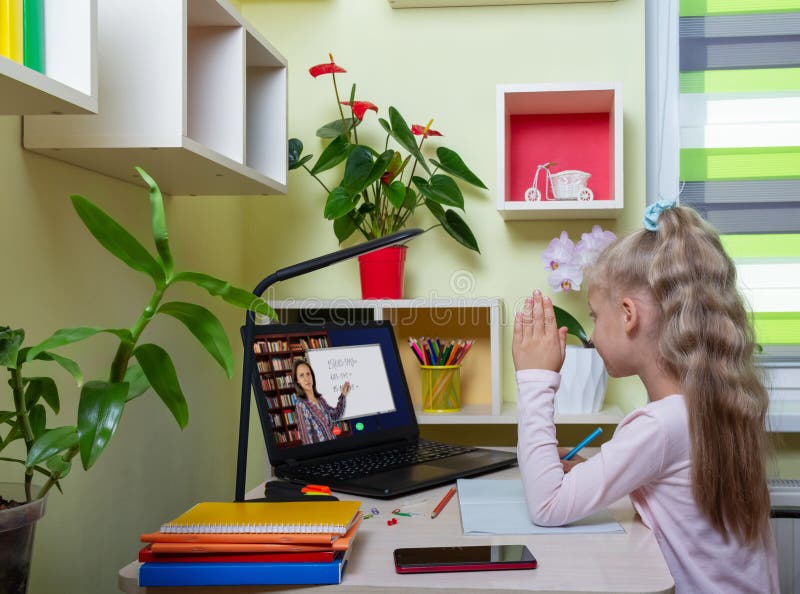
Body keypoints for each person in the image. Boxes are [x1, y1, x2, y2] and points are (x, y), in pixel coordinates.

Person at [512, 202, 778, 593]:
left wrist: (535, 377)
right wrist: (599, 468)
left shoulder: (660, 425)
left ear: (627, 314)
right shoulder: (717, 402)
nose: (591, 334)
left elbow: (548, 506)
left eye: (594, 317)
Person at [292, 358, 350, 445]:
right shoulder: (301, 405)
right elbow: (307, 440)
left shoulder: (320, 400)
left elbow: (336, 415)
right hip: (324, 454)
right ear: (297, 381)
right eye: (301, 375)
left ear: (312, 376)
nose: (306, 378)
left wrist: (343, 394)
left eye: (308, 374)